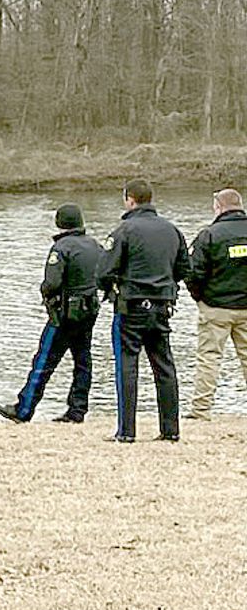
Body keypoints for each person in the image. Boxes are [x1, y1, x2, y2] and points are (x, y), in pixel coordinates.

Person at [97, 179, 189, 443]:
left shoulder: (124, 230)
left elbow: (103, 272)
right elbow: (185, 268)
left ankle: (126, 431)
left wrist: (114, 289)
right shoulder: (172, 230)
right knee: (165, 366)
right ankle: (170, 429)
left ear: (130, 199)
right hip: (162, 306)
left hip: (131, 306)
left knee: (127, 365)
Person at [0, 204, 102, 424]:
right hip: (88, 311)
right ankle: (77, 410)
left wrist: (45, 293)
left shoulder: (61, 248)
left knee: (44, 361)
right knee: (83, 360)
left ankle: (23, 410)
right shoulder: (95, 245)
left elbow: (52, 283)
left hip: (63, 315)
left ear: (60, 223)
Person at [185, 188, 247, 419]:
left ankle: (201, 409)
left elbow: (192, 273)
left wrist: (200, 298)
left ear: (219, 207)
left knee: (209, 358)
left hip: (216, 307)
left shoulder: (209, 235)